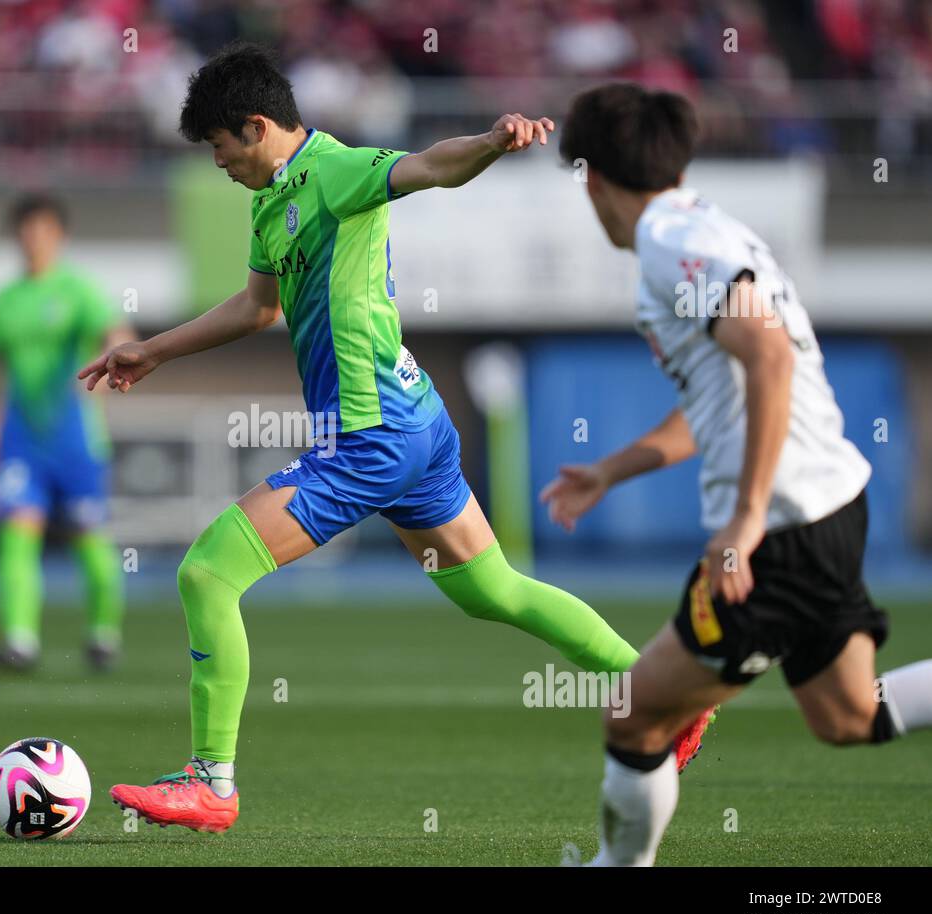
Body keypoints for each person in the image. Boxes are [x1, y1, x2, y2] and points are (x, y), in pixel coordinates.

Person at [86, 43, 706, 834]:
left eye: (218, 147)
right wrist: (154, 350)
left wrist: (488, 143)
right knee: (494, 591)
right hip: (414, 424)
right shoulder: (269, 203)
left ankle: (213, 783)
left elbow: (427, 168)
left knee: (207, 574)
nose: (217, 165)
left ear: (256, 125)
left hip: (372, 433)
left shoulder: (334, 171)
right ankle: (664, 693)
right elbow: (257, 309)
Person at [544, 82, 932, 866]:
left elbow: (767, 352)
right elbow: (722, 395)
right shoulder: (707, 228)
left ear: (590, 178)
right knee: (849, 715)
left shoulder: (667, 241)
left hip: (782, 528)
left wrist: (746, 519)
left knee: (633, 717)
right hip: (828, 505)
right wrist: (610, 472)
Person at [0, 194, 132, 673]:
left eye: (43, 230)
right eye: (26, 231)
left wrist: (112, 366)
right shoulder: (5, 301)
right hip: (23, 438)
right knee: (16, 535)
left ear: (59, 236)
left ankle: (103, 635)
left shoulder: (79, 290)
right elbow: (0, 370)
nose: (34, 240)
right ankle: (20, 641)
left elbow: (117, 333)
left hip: (76, 439)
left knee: (90, 539)